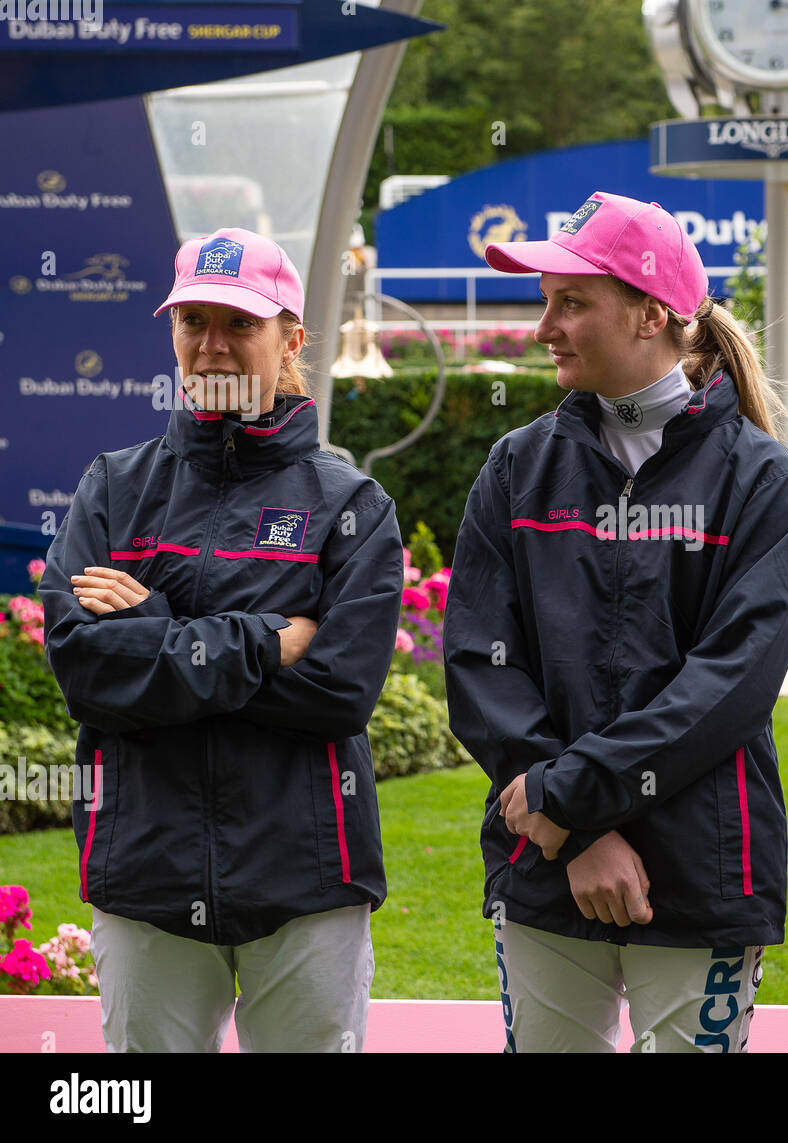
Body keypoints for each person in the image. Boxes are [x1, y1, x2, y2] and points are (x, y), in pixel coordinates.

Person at [443, 190, 788, 1053]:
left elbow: (730, 684)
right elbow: (479, 663)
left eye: (570, 301)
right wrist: (573, 831)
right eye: (545, 301)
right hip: (546, 859)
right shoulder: (517, 466)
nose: (545, 326)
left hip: (700, 869)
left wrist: (566, 799)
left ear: (652, 313)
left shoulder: (761, 480)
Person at [38, 227, 404, 1052]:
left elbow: (340, 691)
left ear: (291, 340)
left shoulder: (351, 502)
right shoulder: (112, 487)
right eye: (192, 321)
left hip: (307, 880)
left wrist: (156, 637)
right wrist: (264, 641)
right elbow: (87, 671)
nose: (212, 346)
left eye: (240, 324)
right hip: (146, 874)